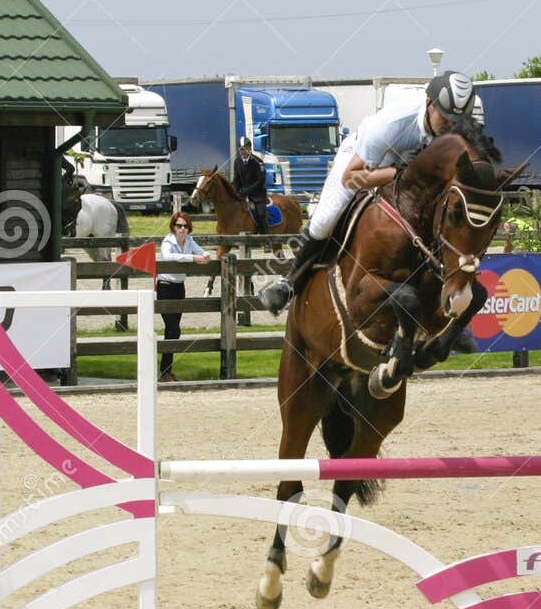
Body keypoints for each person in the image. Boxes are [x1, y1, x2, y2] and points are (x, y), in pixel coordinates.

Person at [258, 70, 478, 315]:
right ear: (429, 104)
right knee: (324, 221)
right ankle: (289, 283)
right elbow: (351, 178)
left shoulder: (456, 126)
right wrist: (396, 173)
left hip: (408, 168)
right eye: (446, 118)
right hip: (365, 161)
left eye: (456, 121)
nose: (450, 126)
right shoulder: (391, 124)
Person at [157, 212, 211, 382]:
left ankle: (166, 371)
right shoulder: (168, 241)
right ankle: (165, 372)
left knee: (174, 330)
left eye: (185, 226)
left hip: (179, 287)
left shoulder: (189, 241)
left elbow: (202, 253)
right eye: (179, 226)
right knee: (172, 329)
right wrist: (193, 258)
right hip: (165, 288)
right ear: (173, 227)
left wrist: (206, 256)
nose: (182, 229)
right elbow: (168, 256)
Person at [231, 136, 271, 233]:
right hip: (242, 195)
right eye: (240, 149)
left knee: (261, 214)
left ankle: (266, 239)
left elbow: (260, 181)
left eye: (244, 149)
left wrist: (247, 191)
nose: (242, 152)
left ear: (249, 148)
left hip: (258, 195)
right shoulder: (237, 162)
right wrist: (234, 192)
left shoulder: (258, 162)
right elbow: (236, 180)